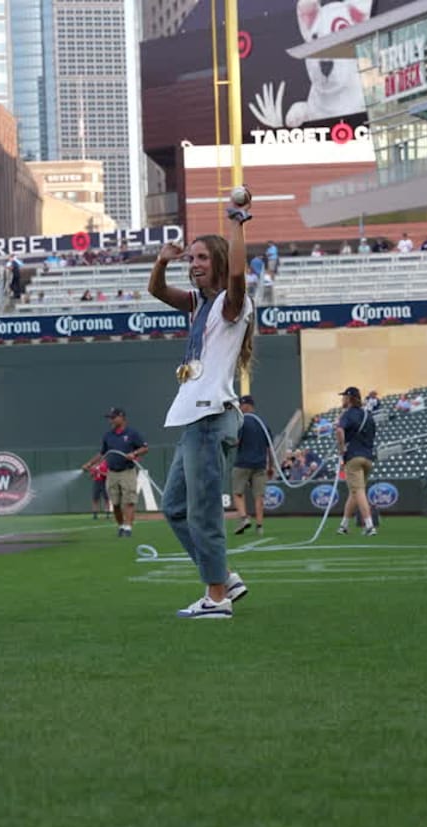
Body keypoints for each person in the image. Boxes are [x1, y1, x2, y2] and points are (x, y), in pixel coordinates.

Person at [147, 191, 256, 619]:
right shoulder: (200, 303)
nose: (193, 264)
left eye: (201, 259)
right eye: (191, 258)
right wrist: (162, 260)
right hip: (196, 417)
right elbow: (157, 291)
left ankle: (216, 598)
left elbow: (238, 273)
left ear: (219, 262)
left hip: (212, 417)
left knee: (204, 511)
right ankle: (223, 577)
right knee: (174, 507)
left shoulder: (232, 302)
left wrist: (236, 223)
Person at [82, 408, 147, 538]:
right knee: (116, 503)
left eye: (113, 417)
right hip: (112, 473)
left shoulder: (132, 433)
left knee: (129, 501)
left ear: (121, 417)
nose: (110, 420)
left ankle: (128, 527)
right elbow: (102, 453)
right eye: (109, 418)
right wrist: (90, 464)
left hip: (127, 471)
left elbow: (144, 448)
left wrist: (133, 453)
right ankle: (121, 525)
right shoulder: (108, 435)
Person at [334, 386, 378, 536]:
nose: (342, 400)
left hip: (353, 458)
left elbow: (339, 430)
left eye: (344, 397)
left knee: (358, 491)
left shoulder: (347, 414)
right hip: (368, 458)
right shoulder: (368, 415)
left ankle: (369, 526)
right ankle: (344, 525)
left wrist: (341, 448)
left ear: (349, 398)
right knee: (355, 492)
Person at [230, 395, 273, 536]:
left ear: (246, 406)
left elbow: (236, 441)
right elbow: (270, 448)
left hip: (243, 462)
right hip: (260, 464)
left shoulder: (242, 421)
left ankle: (244, 518)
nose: (240, 408)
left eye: (241, 405)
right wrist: (271, 466)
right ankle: (260, 526)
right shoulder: (263, 423)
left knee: (237, 493)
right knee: (259, 496)